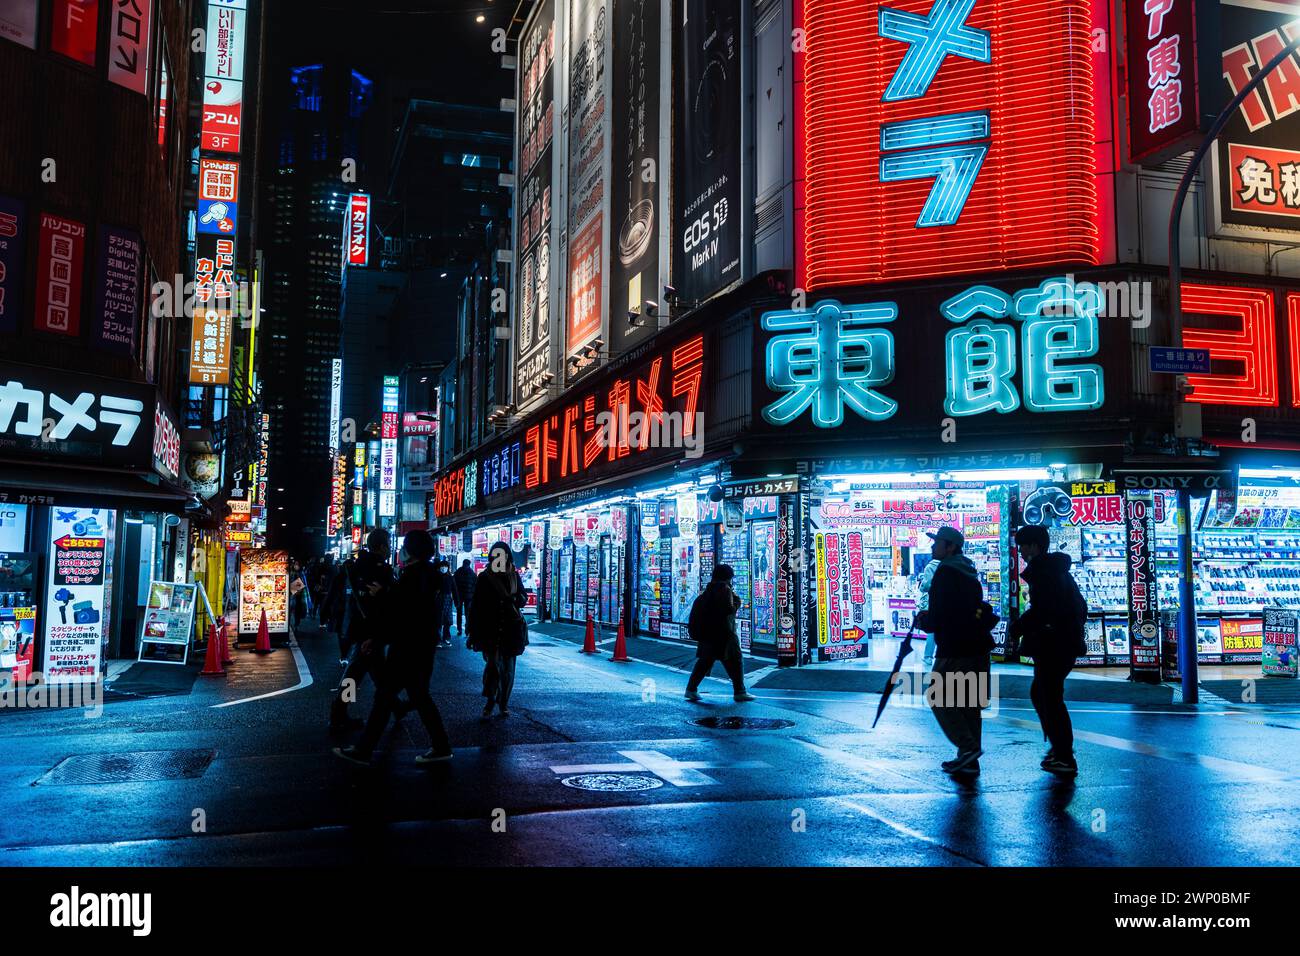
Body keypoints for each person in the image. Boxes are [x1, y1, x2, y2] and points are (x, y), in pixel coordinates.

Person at [334, 530, 453, 767]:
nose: (397, 549)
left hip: (406, 649)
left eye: (402, 546)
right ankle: (440, 746)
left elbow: (401, 615)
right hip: (423, 646)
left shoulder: (410, 576)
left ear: (411, 551)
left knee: (384, 695)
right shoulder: (431, 575)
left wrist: (384, 600)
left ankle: (362, 747)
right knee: (417, 696)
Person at [912, 526, 995, 778]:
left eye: (937, 543)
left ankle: (968, 748)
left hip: (956, 647)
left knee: (937, 696)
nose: (932, 547)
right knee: (970, 703)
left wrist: (925, 621)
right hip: (978, 646)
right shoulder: (968, 570)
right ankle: (969, 759)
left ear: (950, 547)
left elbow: (943, 615)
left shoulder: (946, 572)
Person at [1009, 525, 1088, 777]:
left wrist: (1019, 627)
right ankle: (1059, 749)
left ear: (1034, 546)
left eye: (1023, 546)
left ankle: (1064, 755)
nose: (1020, 551)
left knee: (1049, 697)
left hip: (1055, 644)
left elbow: (1043, 609)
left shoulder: (1045, 573)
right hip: (1062, 642)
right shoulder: (1056, 570)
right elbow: (1079, 605)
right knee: (1042, 693)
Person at [329, 530, 395, 732]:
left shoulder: (356, 565)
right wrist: (374, 636)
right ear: (383, 547)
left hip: (358, 627)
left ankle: (396, 707)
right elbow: (379, 605)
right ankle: (339, 713)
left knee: (378, 674)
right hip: (370, 632)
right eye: (388, 545)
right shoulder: (380, 569)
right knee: (354, 676)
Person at [469, 542, 528, 718]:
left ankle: (503, 702)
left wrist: (516, 598)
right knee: (493, 665)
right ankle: (490, 700)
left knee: (508, 669)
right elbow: (477, 605)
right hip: (491, 627)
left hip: (511, 627)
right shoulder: (485, 577)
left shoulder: (513, 575)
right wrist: (472, 630)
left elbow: (523, 597)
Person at [685, 565, 756, 703]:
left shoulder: (708, 591)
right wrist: (737, 601)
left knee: (705, 661)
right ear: (728, 577)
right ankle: (740, 692)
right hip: (725, 634)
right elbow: (728, 609)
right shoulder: (724, 589)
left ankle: (691, 689)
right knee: (735, 660)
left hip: (708, 634)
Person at [433, 559, 459, 648]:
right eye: (442, 566)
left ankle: (446, 637)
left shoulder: (450, 577)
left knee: (448, 620)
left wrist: (456, 601)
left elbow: (454, 589)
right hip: (438, 599)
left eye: (445, 566)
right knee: (438, 620)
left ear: (448, 568)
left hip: (448, 599)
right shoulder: (435, 576)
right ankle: (438, 640)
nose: (443, 568)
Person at [454, 559, 476, 636]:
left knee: (461, 613)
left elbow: (455, 584)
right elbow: (474, 586)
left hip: (461, 596)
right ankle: (466, 630)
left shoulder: (458, 572)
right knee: (466, 614)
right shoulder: (472, 573)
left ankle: (461, 629)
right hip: (467, 596)